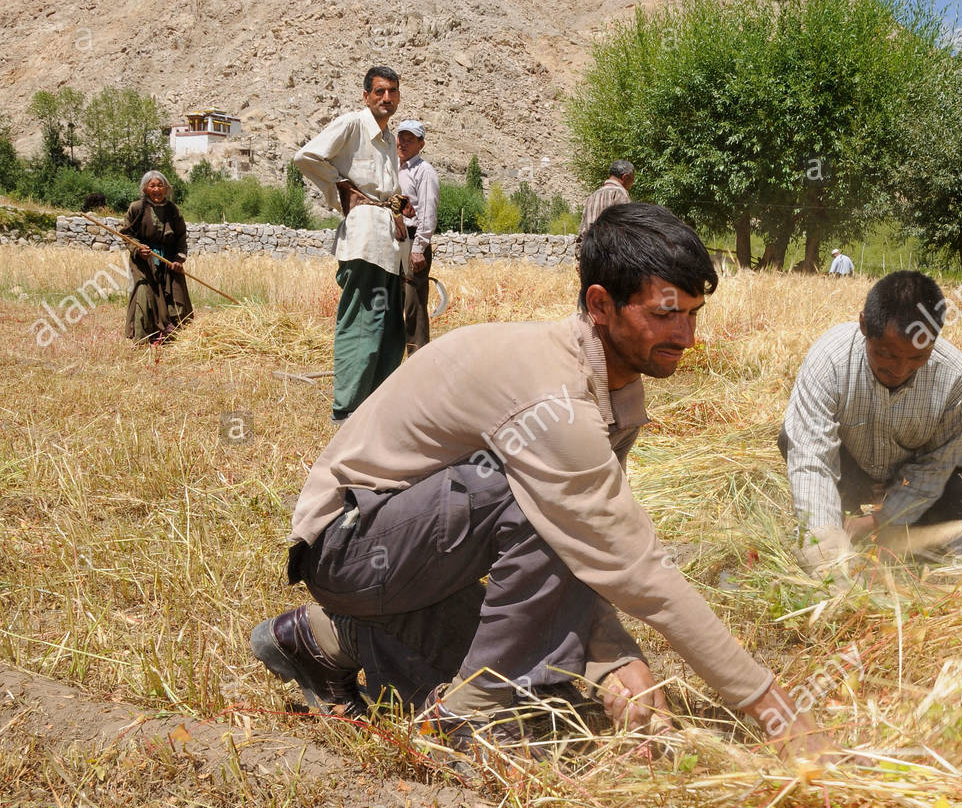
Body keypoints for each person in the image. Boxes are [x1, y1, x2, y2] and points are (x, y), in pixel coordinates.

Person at [250, 203, 827, 762]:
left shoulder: (616, 388)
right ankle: (466, 716)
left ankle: (325, 639)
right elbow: (631, 562)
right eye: (663, 315)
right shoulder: (554, 401)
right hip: (349, 543)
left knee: (547, 694)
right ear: (600, 304)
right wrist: (772, 709)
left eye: (693, 314)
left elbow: (592, 551)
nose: (687, 337)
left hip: (409, 553)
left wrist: (613, 663)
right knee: (524, 512)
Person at [781, 270, 962, 578]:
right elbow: (813, 459)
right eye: (885, 354)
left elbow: (935, 467)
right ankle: (841, 513)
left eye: (917, 358)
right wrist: (825, 549)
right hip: (851, 469)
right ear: (863, 325)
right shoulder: (830, 361)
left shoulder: (954, 378)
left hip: (912, 478)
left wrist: (883, 519)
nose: (900, 369)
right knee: (791, 439)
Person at [294, 66, 412, 423]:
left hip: (389, 242)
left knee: (390, 328)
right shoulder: (352, 125)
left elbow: (385, 188)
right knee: (363, 323)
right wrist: (340, 188)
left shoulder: (389, 139)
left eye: (392, 92)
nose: (386, 98)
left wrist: (397, 201)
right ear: (366, 96)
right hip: (364, 240)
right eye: (379, 92)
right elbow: (306, 157)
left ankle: (376, 410)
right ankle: (347, 410)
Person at [122, 171, 193, 344]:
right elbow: (127, 235)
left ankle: (176, 336)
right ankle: (143, 337)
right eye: (152, 186)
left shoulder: (173, 210)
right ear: (145, 189)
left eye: (160, 185)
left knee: (176, 296)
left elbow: (181, 237)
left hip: (169, 260)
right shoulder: (136, 208)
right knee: (144, 293)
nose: (156, 189)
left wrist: (178, 259)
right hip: (144, 261)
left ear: (166, 188)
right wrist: (138, 249)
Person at [395, 119, 439, 354]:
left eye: (409, 139)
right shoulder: (392, 167)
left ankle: (418, 359)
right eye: (401, 137)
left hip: (413, 241)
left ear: (421, 144)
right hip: (393, 241)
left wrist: (419, 247)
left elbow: (428, 213)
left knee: (414, 306)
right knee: (392, 301)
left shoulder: (424, 172)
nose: (403, 143)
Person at [574, 159, 634, 262]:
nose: (632, 184)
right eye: (632, 180)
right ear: (625, 177)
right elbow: (626, 229)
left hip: (591, 256)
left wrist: (581, 260)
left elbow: (583, 232)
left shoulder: (592, 196)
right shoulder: (620, 193)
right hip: (611, 259)